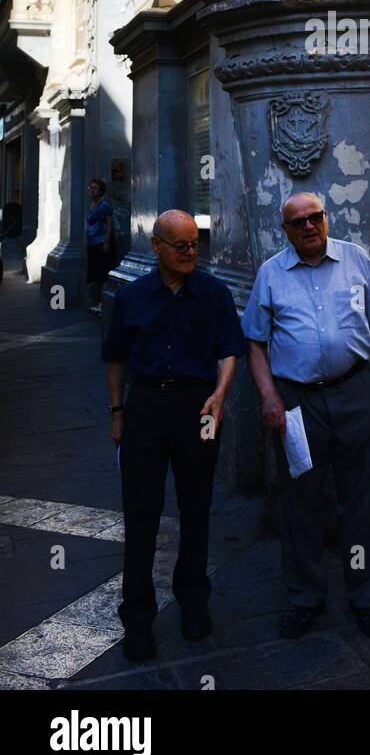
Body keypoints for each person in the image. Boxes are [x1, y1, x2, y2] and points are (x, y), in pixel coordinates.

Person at [242, 192, 370, 639]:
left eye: (316, 218)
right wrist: (269, 396)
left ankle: (365, 597)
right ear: (286, 230)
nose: (310, 227)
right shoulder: (272, 273)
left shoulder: (355, 259)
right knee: (300, 504)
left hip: (355, 393)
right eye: (299, 222)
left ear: (325, 219)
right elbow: (254, 341)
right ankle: (306, 597)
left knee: (359, 502)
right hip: (296, 403)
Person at [102, 209, 245, 662]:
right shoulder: (132, 297)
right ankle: (138, 619)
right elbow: (115, 359)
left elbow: (228, 350)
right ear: (157, 246)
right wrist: (117, 412)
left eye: (194, 244)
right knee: (141, 513)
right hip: (145, 406)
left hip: (198, 406)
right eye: (180, 244)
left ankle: (193, 602)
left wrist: (221, 395)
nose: (189, 251)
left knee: (196, 506)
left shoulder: (215, 292)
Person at [86, 177, 115, 313]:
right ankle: (96, 302)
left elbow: (109, 223)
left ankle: (103, 305)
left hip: (101, 243)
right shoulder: (92, 205)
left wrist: (106, 242)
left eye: (95, 188)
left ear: (101, 190)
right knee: (95, 274)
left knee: (103, 274)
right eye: (90, 188)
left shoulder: (104, 205)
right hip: (93, 243)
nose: (92, 190)